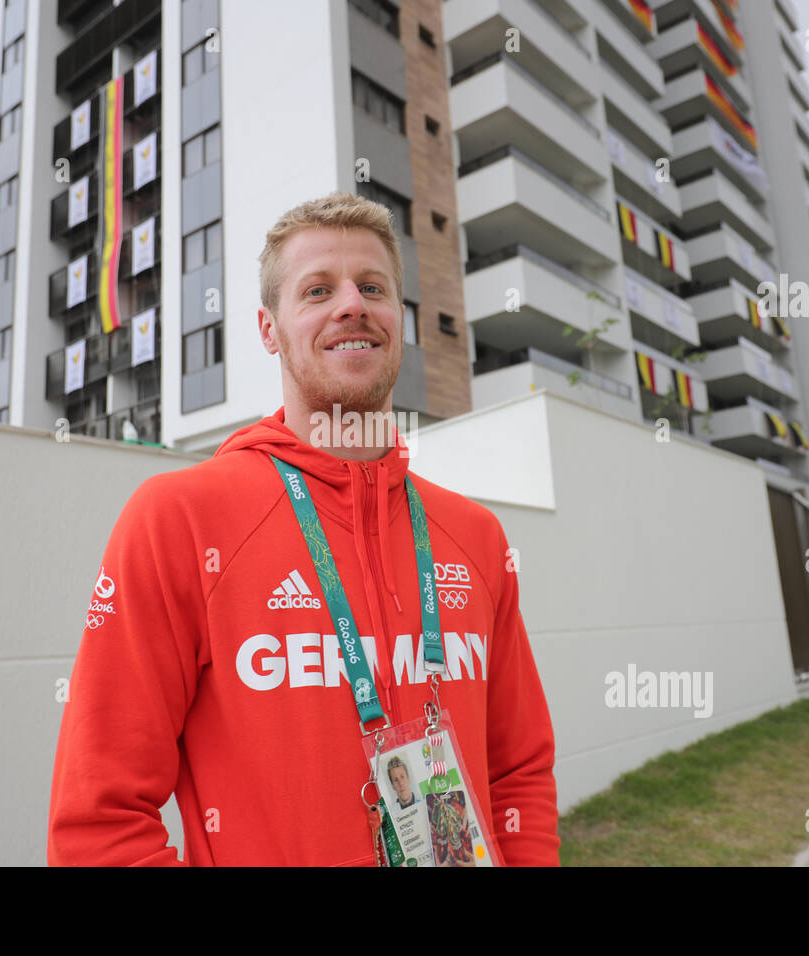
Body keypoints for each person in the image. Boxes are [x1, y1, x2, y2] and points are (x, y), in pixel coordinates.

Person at [47, 192, 560, 866]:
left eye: (372, 287)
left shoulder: (475, 535)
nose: (352, 304)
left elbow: (518, 769)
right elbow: (99, 821)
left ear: (396, 320)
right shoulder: (179, 519)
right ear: (269, 330)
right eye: (318, 290)